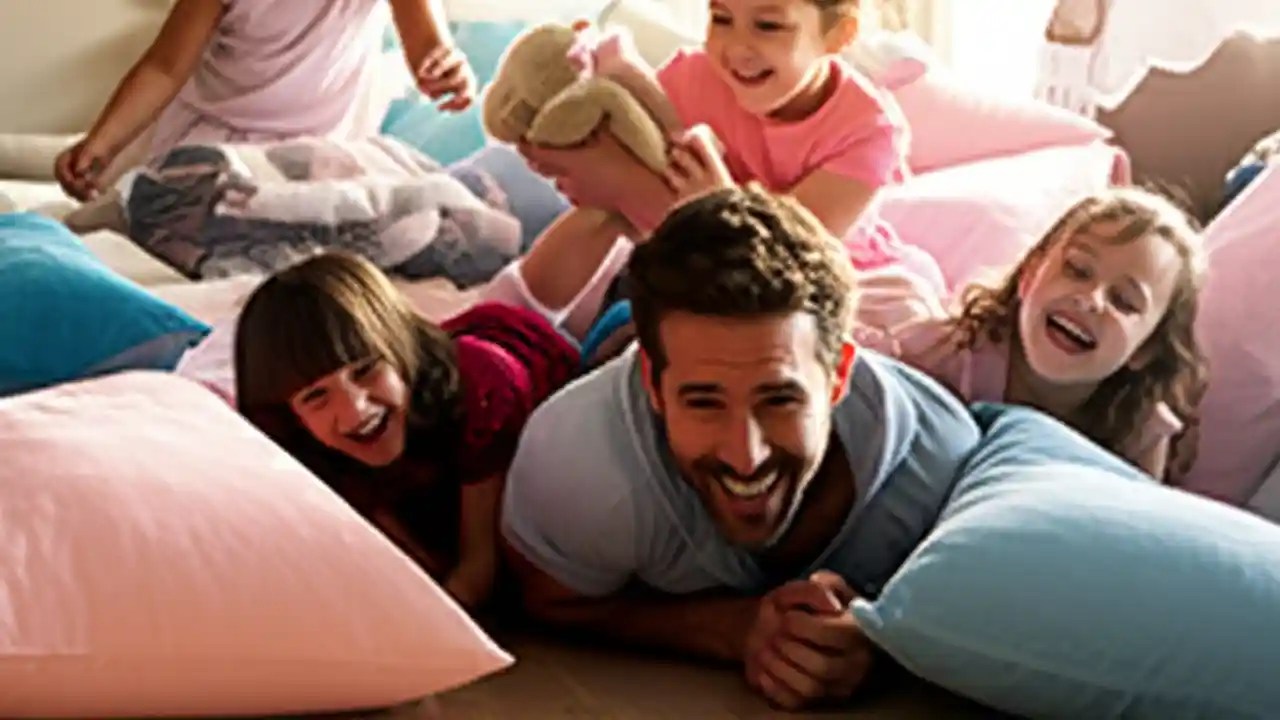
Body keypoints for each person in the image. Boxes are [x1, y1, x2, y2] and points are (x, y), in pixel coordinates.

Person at [499, 186, 983, 710]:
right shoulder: (579, 463)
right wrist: (731, 628)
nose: (744, 454)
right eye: (704, 403)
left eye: (779, 400)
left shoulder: (938, 468)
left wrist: (888, 646)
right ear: (654, 387)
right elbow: (549, 601)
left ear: (840, 375)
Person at [507, 0, 943, 336]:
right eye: (721, 18)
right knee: (605, 213)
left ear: (837, 35)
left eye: (768, 25)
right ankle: (505, 322)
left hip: (802, 277)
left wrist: (647, 186)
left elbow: (785, 264)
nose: (737, 48)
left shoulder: (867, 132)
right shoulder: (692, 77)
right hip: (682, 248)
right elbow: (633, 152)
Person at [233, 252, 578, 610]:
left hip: (523, 378)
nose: (355, 411)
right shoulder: (295, 444)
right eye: (317, 396)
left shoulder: (481, 388)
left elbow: (478, 570)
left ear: (399, 350)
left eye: (366, 371)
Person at [853, 187, 1208, 481]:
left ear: (1144, 350)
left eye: (1125, 302)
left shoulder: (1138, 430)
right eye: (1078, 270)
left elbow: (1130, 534)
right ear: (1029, 275)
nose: (1090, 300)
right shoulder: (947, 354)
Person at [55, 0, 476, 201]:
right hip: (215, 141)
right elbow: (164, 68)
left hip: (322, 149)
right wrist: (102, 143)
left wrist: (449, 71)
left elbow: (431, 53)